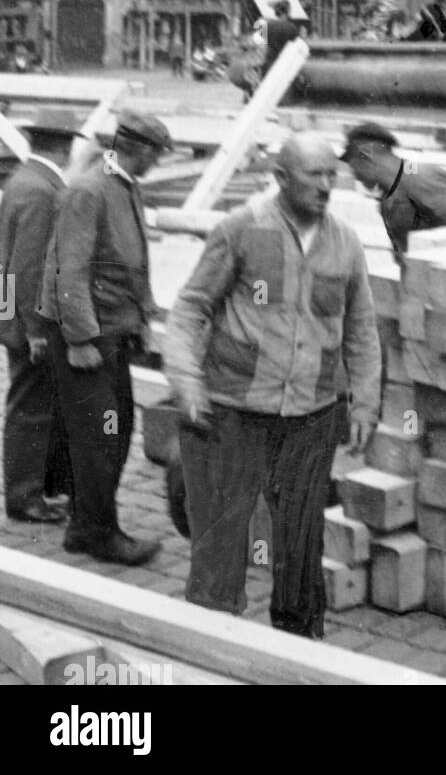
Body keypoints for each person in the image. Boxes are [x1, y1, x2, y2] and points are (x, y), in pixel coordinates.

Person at [163, 134, 382, 638]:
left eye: (332, 175)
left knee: (301, 541)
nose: (327, 186)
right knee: (221, 535)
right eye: (314, 175)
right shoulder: (241, 229)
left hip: (312, 415)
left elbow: (361, 330)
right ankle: (212, 644)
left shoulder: (345, 241)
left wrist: (366, 402)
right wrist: (186, 381)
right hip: (236, 408)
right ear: (282, 178)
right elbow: (191, 307)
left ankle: (298, 643)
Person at [40, 111, 173, 565]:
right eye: (156, 153)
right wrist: (79, 338)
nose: (157, 162)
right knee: (101, 436)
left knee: (116, 431)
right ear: (140, 149)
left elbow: (131, 259)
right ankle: (99, 532)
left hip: (113, 333)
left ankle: (85, 525)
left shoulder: (123, 186)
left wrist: (144, 317)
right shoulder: (89, 190)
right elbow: (68, 267)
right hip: (88, 340)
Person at [0, 107, 82, 524]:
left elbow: (9, 262)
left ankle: (39, 487)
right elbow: (29, 266)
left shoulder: (22, 181)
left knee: (33, 403)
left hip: (14, 315)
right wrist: (33, 330)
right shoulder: (43, 191)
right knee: (31, 408)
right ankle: (24, 497)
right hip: (32, 323)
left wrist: (8, 317)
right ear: (66, 147)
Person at [341, 122, 446, 261]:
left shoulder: (419, 178)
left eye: (353, 164)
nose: (355, 176)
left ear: (366, 155)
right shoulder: (389, 195)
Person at [263, 0, 301, 73]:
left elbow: (263, 47)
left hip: (269, 64)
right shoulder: (291, 27)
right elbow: (297, 47)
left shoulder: (267, 26)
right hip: (285, 65)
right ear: (287, 11)